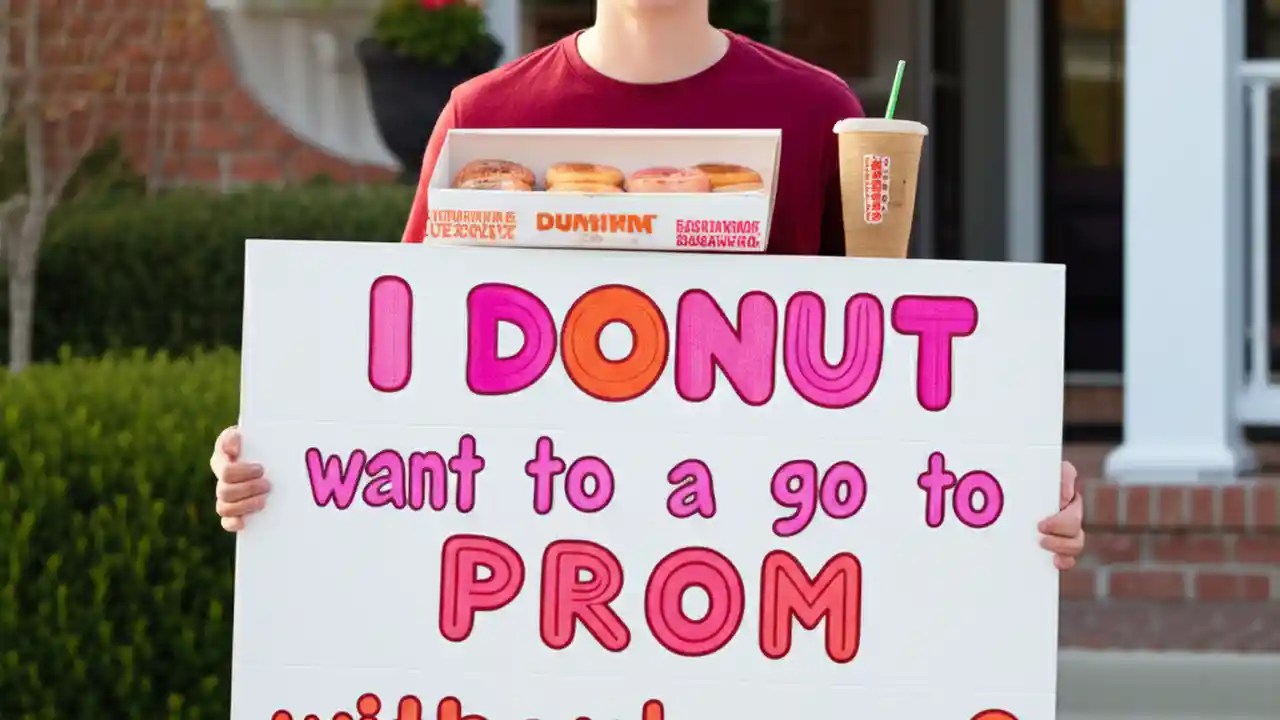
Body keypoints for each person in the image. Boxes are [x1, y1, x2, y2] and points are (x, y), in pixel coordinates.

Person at [210, 0, 1086, 568]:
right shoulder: (487, 120)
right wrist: (281, 457)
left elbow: (873, 359)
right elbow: (399, 358)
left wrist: (995, 484)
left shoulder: (820, 112)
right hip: (537, 569)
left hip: (759, 567)